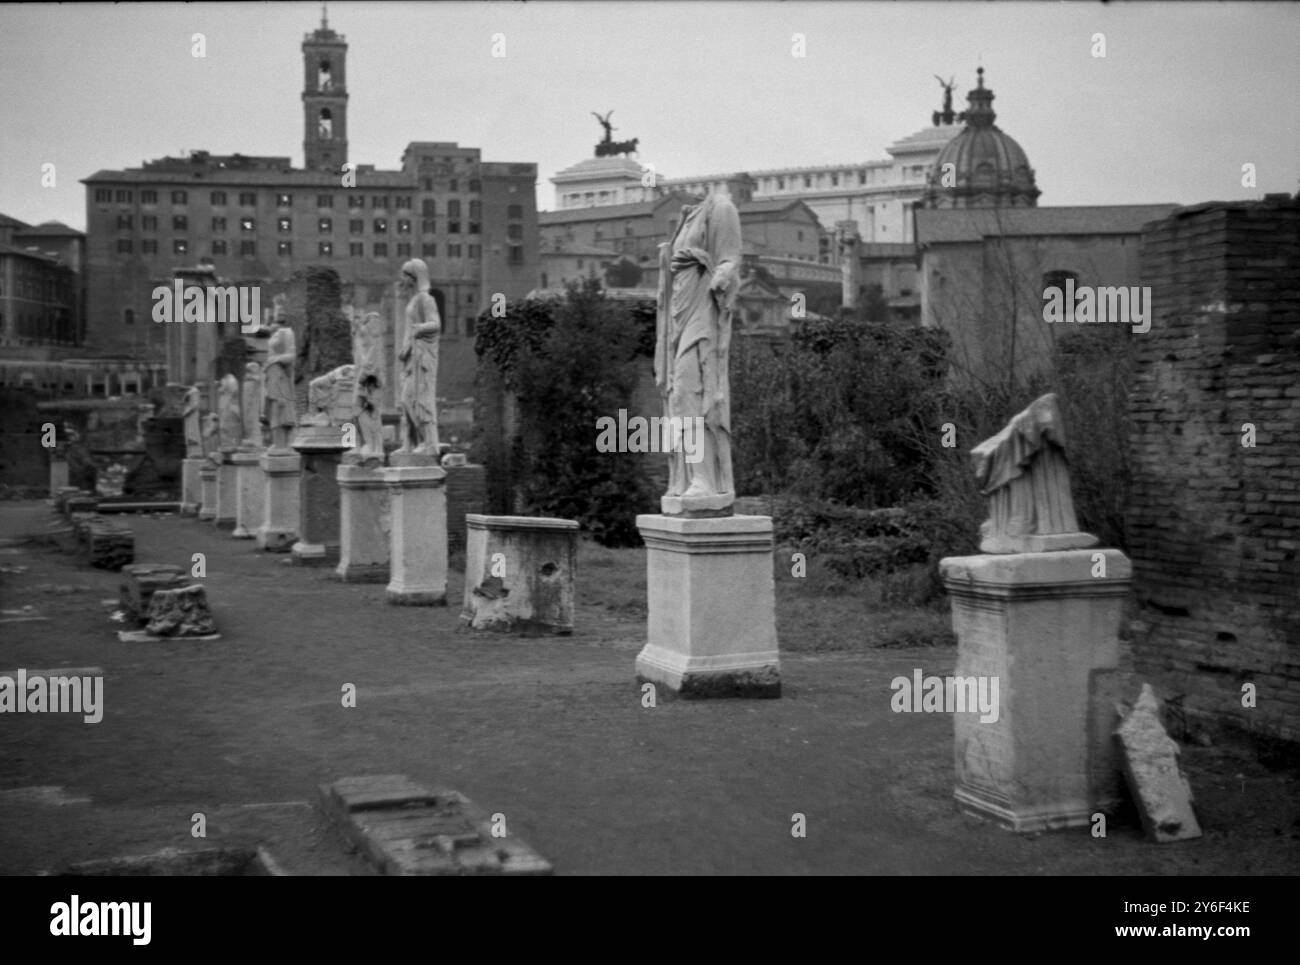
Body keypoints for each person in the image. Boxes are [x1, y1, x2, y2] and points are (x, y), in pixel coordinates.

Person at [654, 189, 742, 508]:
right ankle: (688, 476)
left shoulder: (720, 208)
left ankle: (705, 479)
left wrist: (721, 275)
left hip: (703, 308)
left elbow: (731, 258)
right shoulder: (686, 215)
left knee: (691, 391)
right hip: (679, 312)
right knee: (679, 394)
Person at [395, 259, 441, 456]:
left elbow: (436, 324)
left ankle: (428, 443)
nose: (401, 280)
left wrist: (418, 330)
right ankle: (410, 444)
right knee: (406, 400)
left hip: (422, 357)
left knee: (417, 399)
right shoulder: (411, 301)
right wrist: (404, 349)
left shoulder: (425, 299)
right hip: (410, 357)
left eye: (405, 276)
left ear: (413, 279)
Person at [261, 301, 297, 451]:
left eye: (283, 310)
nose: (279, 313)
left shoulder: (287, 332)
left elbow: (291, 355)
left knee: (280, 409)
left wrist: (275, 359)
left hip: (281, 375)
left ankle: (282, 444)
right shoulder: (272, 332)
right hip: (271, 375)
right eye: (277, 309)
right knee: (272, 410)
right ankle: (277, 443)